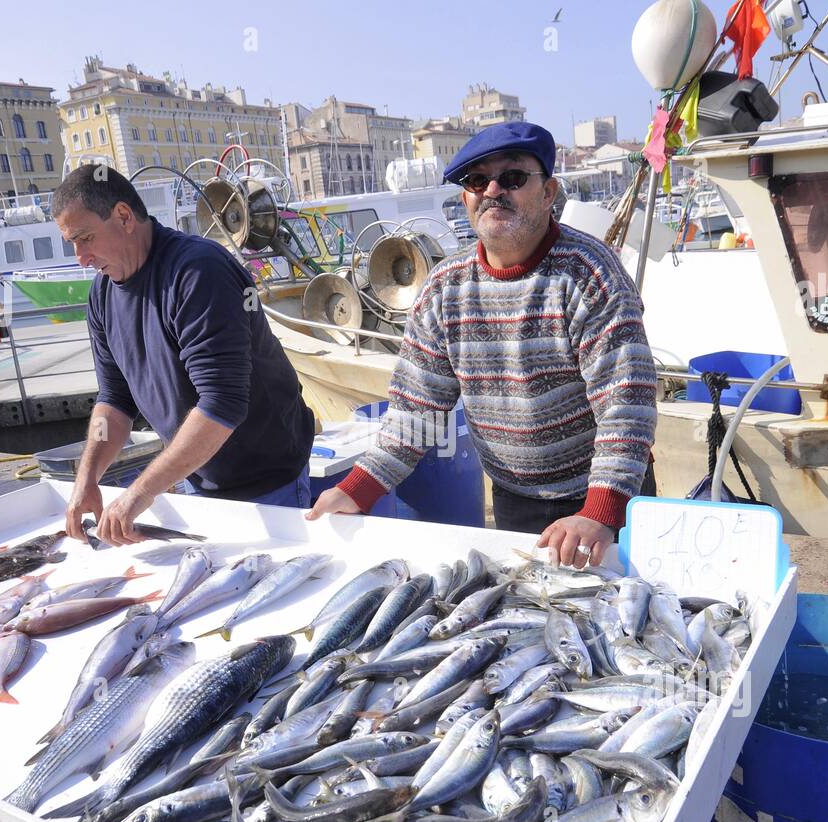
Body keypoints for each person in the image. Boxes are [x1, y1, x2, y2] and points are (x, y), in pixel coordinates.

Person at [307, 122, 657, 568]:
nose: (493, 190)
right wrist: (356, 489)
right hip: (516, 502)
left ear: (549, 193)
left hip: (607, 500)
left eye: (512, 178)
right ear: (465, 200)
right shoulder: (444, 289)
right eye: (477, 181)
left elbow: (627, 404)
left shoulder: (590, 274)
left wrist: (600, 513)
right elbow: (417, 412)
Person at [54, 163, 315, 546]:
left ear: (124, 217)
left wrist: (139, 493)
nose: (81, 257)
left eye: (86, 238)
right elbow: (113, 401)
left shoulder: (198, 271)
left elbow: (222, 404)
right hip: (197, 479)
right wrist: (88, 476)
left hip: (269, 483)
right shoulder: (102, 294)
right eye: (72, 244)